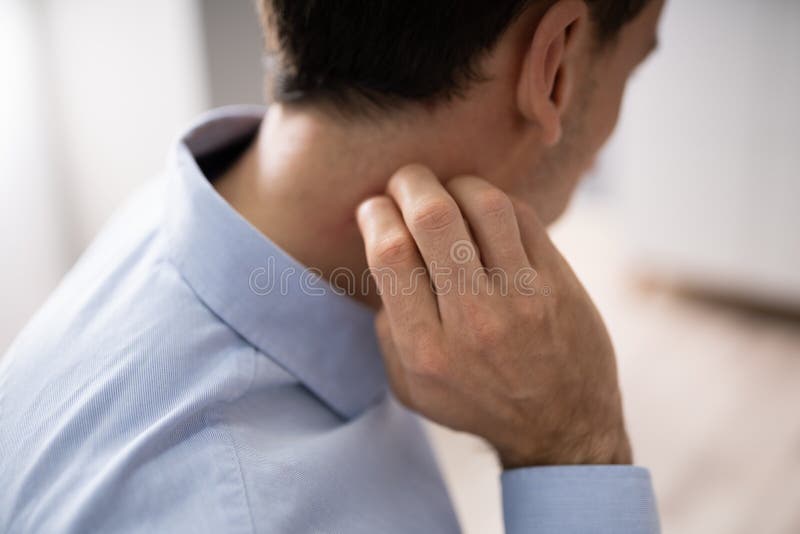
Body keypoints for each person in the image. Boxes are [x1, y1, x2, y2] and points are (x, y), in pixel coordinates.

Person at [0, 0, 665, 532]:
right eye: (631, 70)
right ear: (553, 65)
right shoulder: (246, 509)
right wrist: (578, 448)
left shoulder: (177, 217)